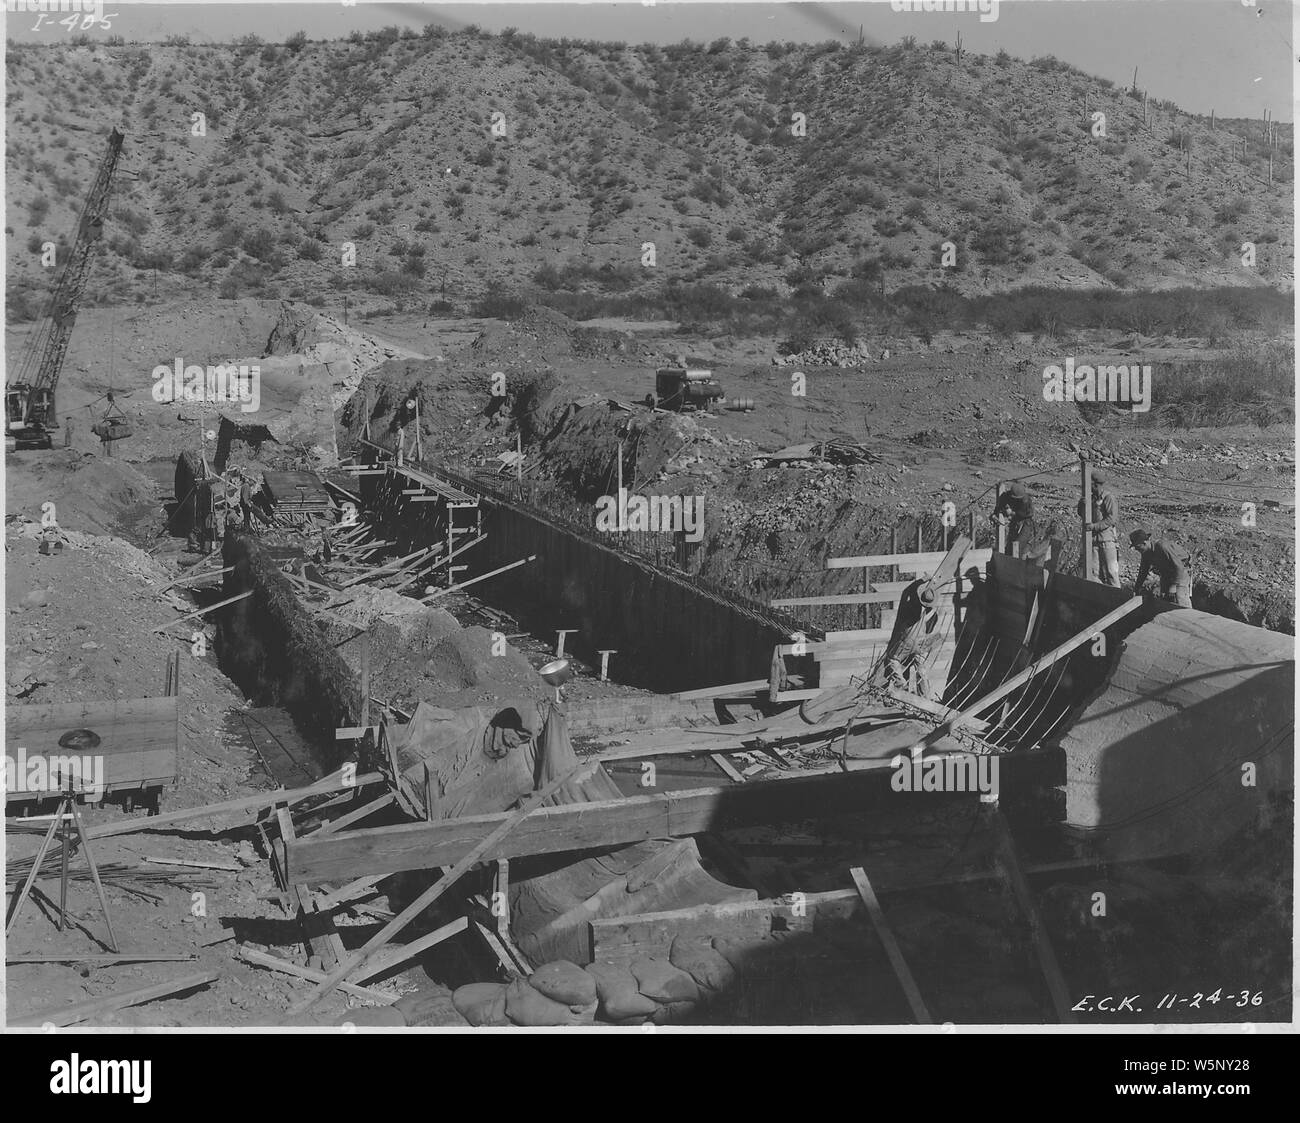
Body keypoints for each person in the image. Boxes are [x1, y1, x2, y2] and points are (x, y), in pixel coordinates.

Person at [885, 581, 941, 699]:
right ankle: (925, 696)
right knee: (920, 668)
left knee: (892, 659)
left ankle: (901, 684)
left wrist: (921, 580)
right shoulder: (933, 613)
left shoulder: (913, 607)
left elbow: (907, 591)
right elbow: (930, 631)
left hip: (908, 640)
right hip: (922, 642)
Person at [1077, 469, 1120, 586]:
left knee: (1111, 572)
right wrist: (1082, 504)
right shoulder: (1091, 499)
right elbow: (1082, 514)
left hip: (1107, 541)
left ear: (1095, 485)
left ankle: (1117, 598)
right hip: (1094, 541)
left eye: (1090, 484)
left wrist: (1094, 527)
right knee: (1093, 573)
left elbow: (1111, 518)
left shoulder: (1108, 498)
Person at [1130, 530, 1193, 608]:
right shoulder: (1146, 553)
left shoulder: (1162, 546)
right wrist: (1136, 589)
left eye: (1138, 547)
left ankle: (1187, 617)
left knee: (1180, 599)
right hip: (1166, 573)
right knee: (1165, 600)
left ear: (1145, 543)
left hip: (1181, 571)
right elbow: (1143, 571)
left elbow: (1178, 567)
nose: (1136, 550)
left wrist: (1173, 586)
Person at [991, 481, 1034, 556]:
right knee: (1010, 546)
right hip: (1014, 521)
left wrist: (1011, 513)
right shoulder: (1006, 496)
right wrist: (995, 515)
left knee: (1019, 545)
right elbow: (999, 507)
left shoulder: (1026, 500)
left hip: (1025, 521)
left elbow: (1026, 514)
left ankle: (1017, 563)